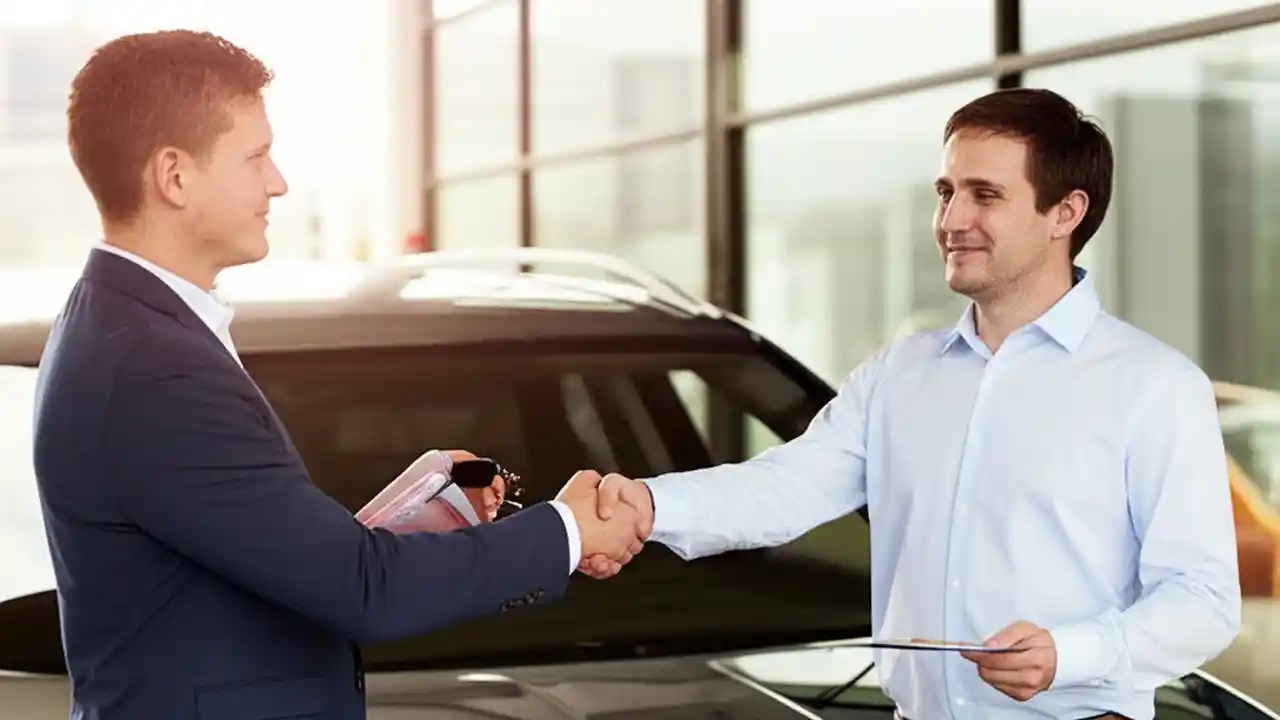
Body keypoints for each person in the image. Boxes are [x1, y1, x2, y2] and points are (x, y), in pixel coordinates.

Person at [32, 30, 644, 720]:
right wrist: (565, 532)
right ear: (174, 176)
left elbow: (268, 561)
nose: (278, 181)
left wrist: (400, 528)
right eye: (256, 156)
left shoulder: (126, 327)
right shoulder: (154, 368)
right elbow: (364, 591)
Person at [581, 88, 1241, 719]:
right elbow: (785, 490)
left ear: (1065, 213)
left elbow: (1204, 600)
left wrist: (1073, 653)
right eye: (946, 192)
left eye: (984, 195)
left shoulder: (1153, 386)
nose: (952, 220)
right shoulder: (898, 373)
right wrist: (648, 506)